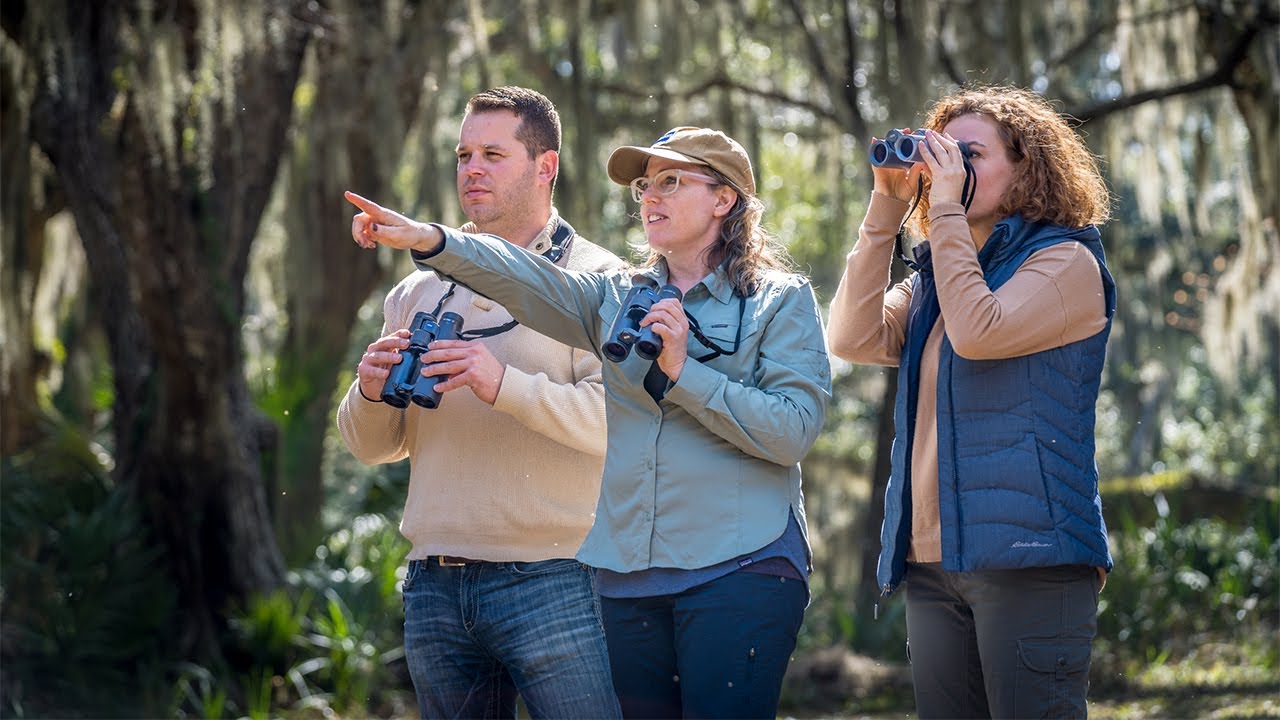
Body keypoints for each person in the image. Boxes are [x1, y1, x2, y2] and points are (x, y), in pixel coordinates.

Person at [346, 125, 831, 719]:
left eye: (670, 182)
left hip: (740, 568)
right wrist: (431, 239)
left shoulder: (780, 300)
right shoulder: (611, 296)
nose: (650, 196)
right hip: (627, 581)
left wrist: (685, 374)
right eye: (644, 186)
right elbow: (521, 278)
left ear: (723, 199)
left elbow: (792, 431)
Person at [826, 85, 1116, 719]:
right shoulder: (940, 276)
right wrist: (885, 206)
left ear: (1027, 167)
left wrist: (947, 216)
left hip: (1031, 558)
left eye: (970, 154)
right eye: (942, 155)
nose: (950, 167)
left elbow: (979, 331)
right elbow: (849, 337)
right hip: (934, 562)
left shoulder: (1065, 261)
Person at [336, 86, 623, 719]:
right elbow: (373, 445)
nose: (472, 168)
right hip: (434, 585)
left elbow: (620, 421)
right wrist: (369, 391)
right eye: (464, 153)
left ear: (544, 167)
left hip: (557, 579)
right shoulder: (415, 290)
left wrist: (503, 386)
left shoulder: (602, 281)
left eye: (493, 153)